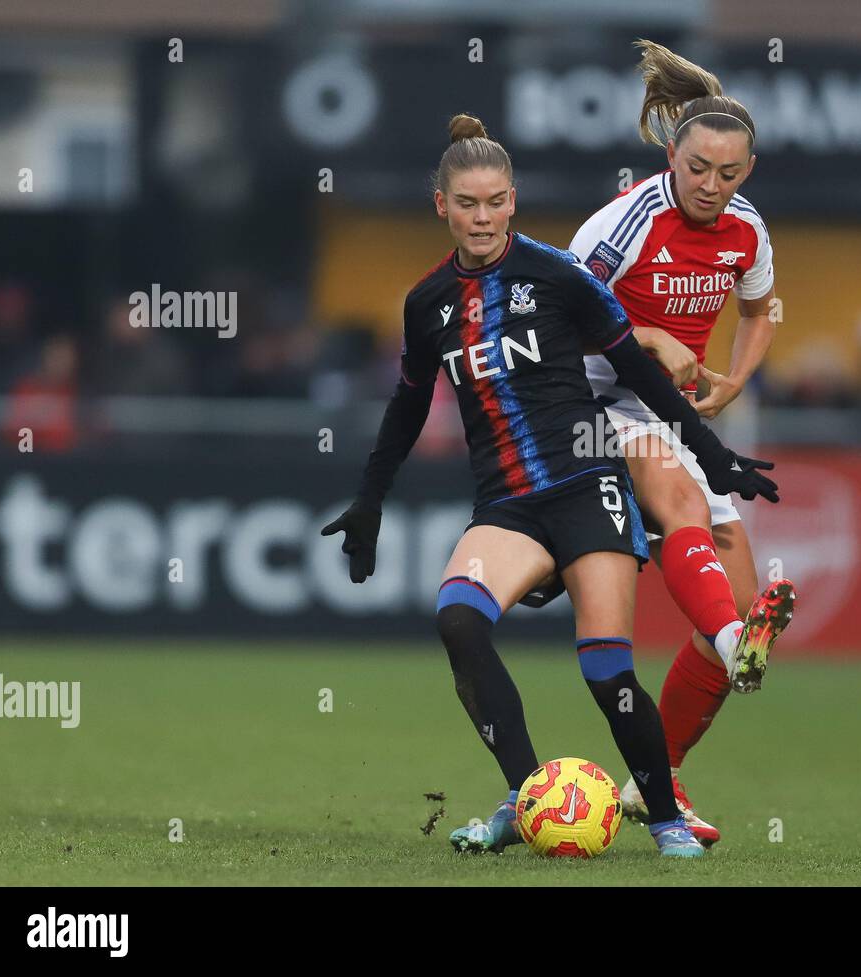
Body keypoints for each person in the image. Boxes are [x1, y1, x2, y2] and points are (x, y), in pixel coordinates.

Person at [321, 114, 781, 858]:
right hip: (507, 503)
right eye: (467, 203)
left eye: (495, 201)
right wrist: (371, 498)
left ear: (513, 200)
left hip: (588, 485)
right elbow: (408, 404)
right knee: (458, 620)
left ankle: (665, 816)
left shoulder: (559, 276)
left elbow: (636, 373)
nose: (482, 217)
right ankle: (524, 795)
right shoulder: (426, 302)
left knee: (606, 668)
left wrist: (715, 455)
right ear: (441, 206)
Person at [566, 40, 797, 844]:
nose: (711, 185)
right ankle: (739, 643)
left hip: (674, 412)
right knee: (679, 500)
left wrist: (734, 382)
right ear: (671, 155)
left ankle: (653, 778)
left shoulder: (746, 230)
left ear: (747, 171)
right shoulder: (622, 224)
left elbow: (761, 310)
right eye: (698, 168)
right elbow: (553, 323)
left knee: (731, 599)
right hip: (593, 402)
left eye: (728, 173)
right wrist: (648, 335)